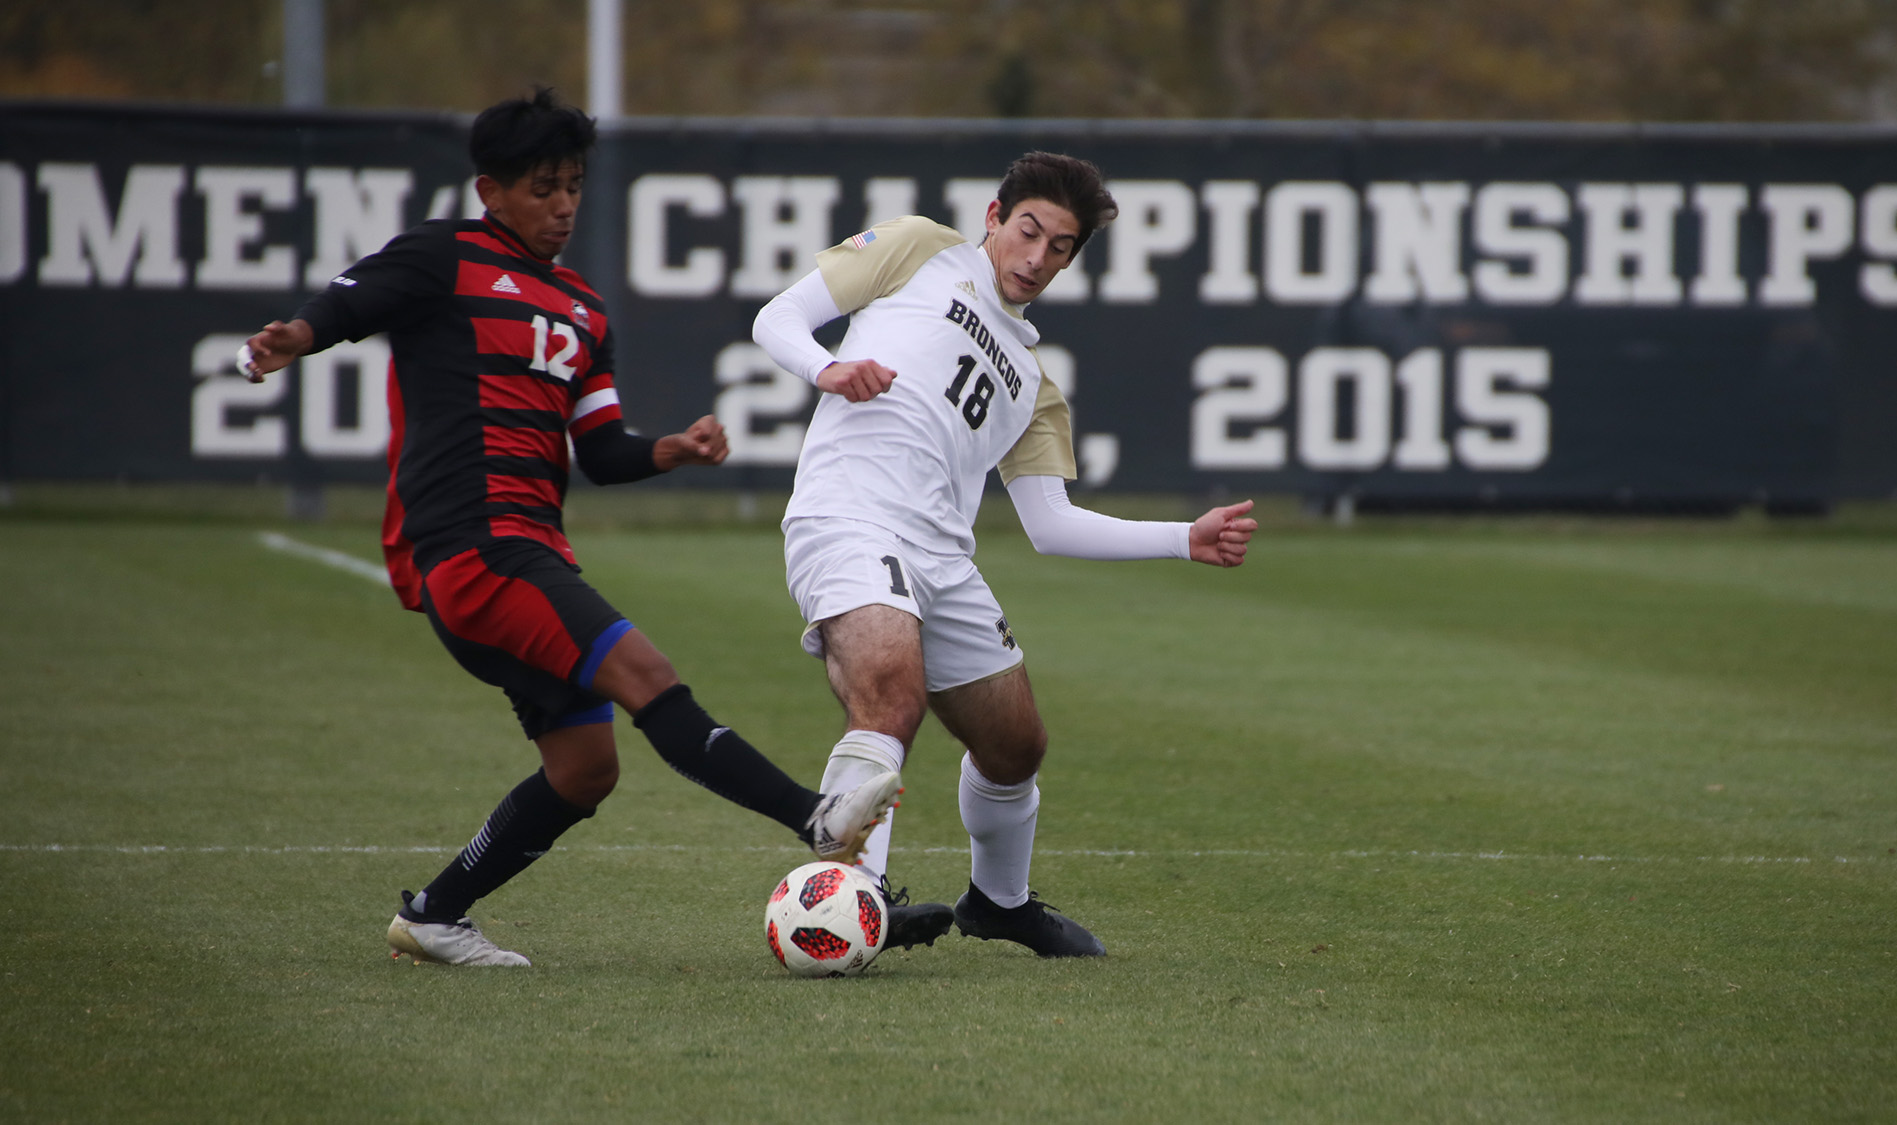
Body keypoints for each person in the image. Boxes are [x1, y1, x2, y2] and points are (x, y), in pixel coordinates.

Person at [238, 88, 899, 968]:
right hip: (478, 547)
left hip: (532, 550)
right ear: (491, 190)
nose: (563, 205)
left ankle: (434, 914)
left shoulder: (584, 308)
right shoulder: (445, 256)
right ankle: (815, 817)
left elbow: (600, 449)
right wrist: (298, 334)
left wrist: (669, 450)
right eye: (543, 187)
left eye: (574, 186)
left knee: (585, 768)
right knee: (647, 673)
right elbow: (349, 304)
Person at [751, 151, 1258, 958]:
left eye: (1060, 247)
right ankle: (855, 899)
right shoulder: (919, 247)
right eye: (1028, 230)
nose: (1036, 257)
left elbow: (1049, 524)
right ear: (994, 216)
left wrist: (1180, 538)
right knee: (889, 692)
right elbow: (777, 317)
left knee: (1016, 744)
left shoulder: (1033, 382)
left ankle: (999, 902)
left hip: (944, 559)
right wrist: (828, 366)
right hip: (849, 515)